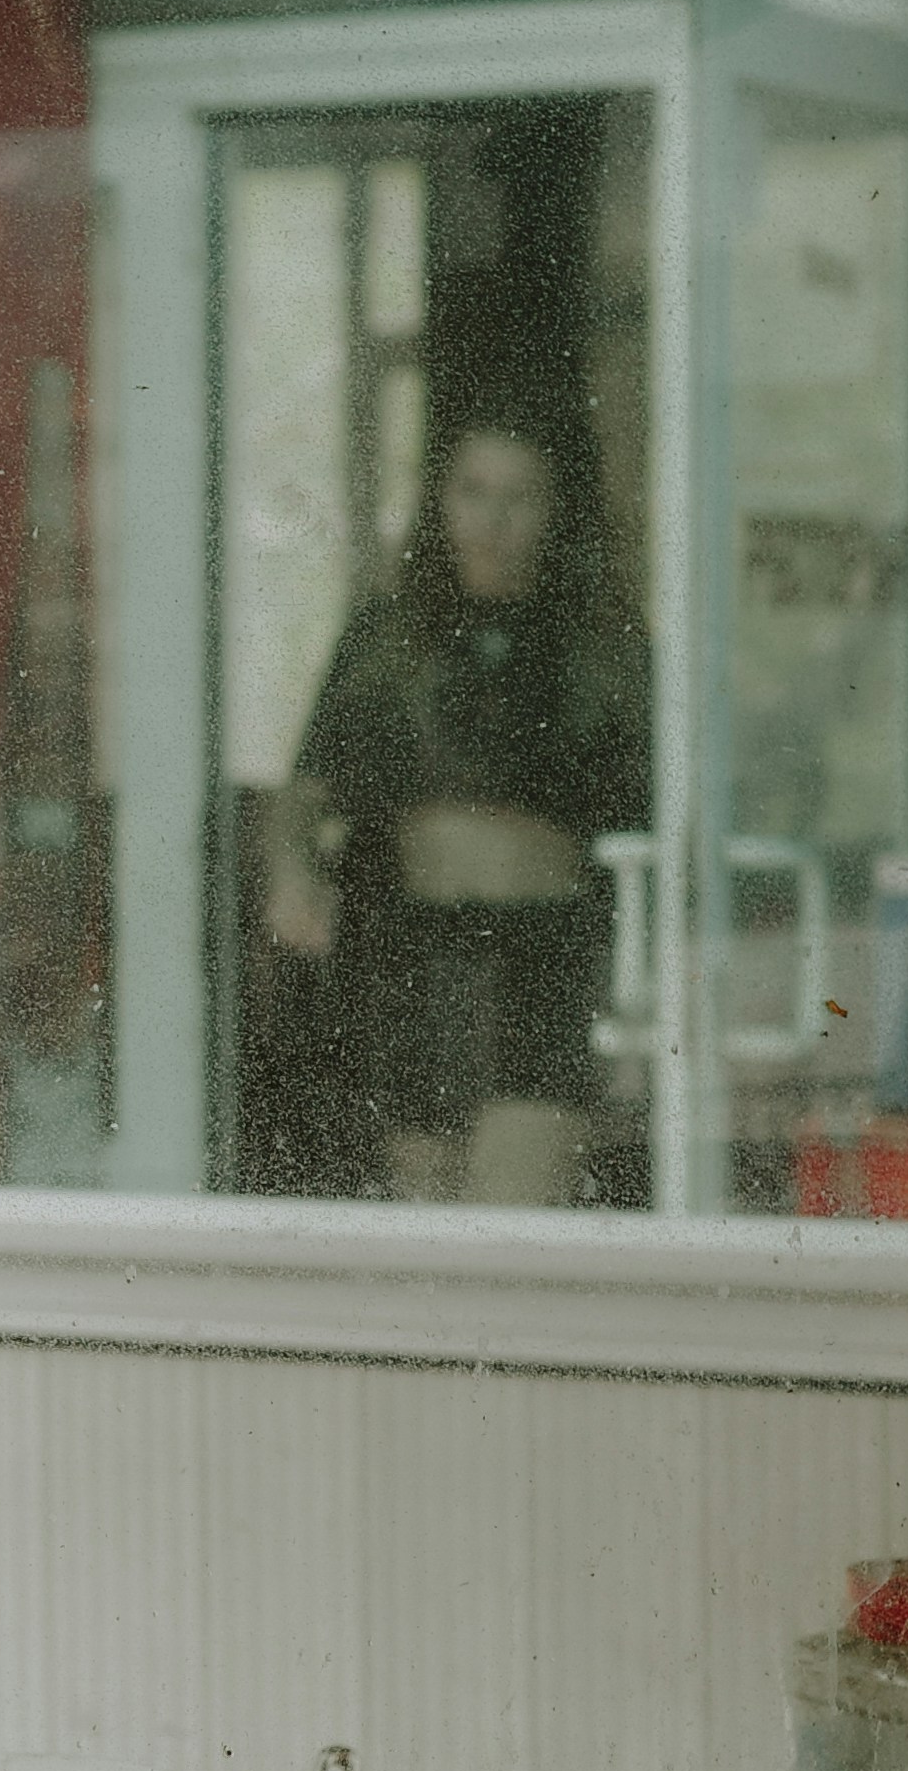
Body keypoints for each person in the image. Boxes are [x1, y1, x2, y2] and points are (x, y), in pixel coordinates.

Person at [258, 419, 650, 1205]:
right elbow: (304, 793)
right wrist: (291, 873)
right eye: (473, 491)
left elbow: (659, 810)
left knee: (513, 1215)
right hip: (414, 954)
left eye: (520, 496)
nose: (493, 519)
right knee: (423, 1223)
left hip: (543, 954)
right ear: (440, 501)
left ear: (554, 510)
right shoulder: (387, 635)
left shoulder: (602, 644)